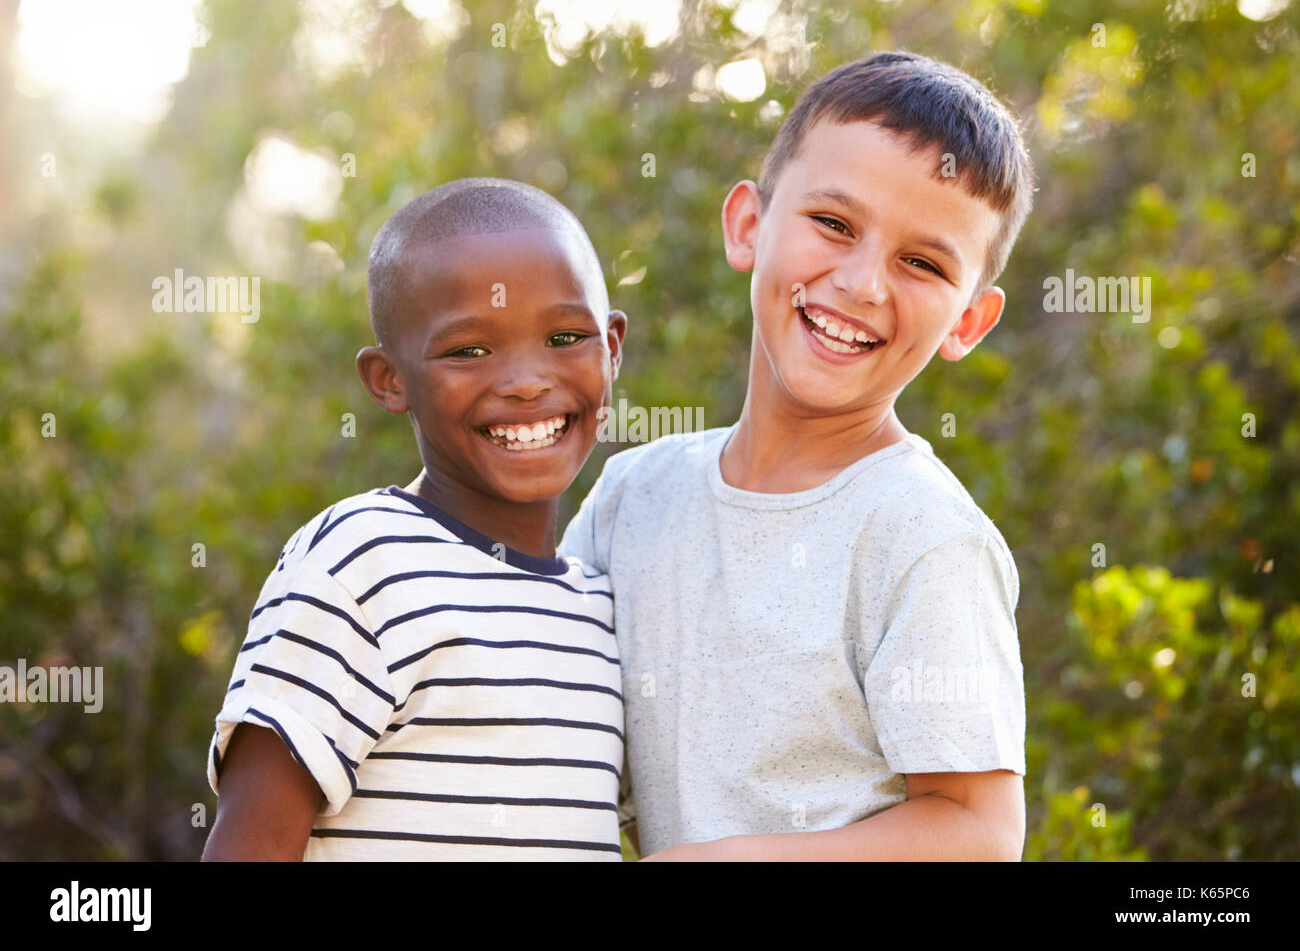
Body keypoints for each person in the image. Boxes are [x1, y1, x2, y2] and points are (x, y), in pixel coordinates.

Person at [560, 50, 1036, 860]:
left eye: (921, 263)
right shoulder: (632, 495)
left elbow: (977, 831)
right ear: (748, 225)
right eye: (834, 224)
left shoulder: (923, 536)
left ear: (969, 321)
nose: (860, 283)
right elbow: (549, 723)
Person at [202, 178, 629, 860]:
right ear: (388, 379)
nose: (525, 380)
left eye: (565, 336)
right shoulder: (362, 563)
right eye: (468, 350)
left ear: (612, 348)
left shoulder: (604, 610)